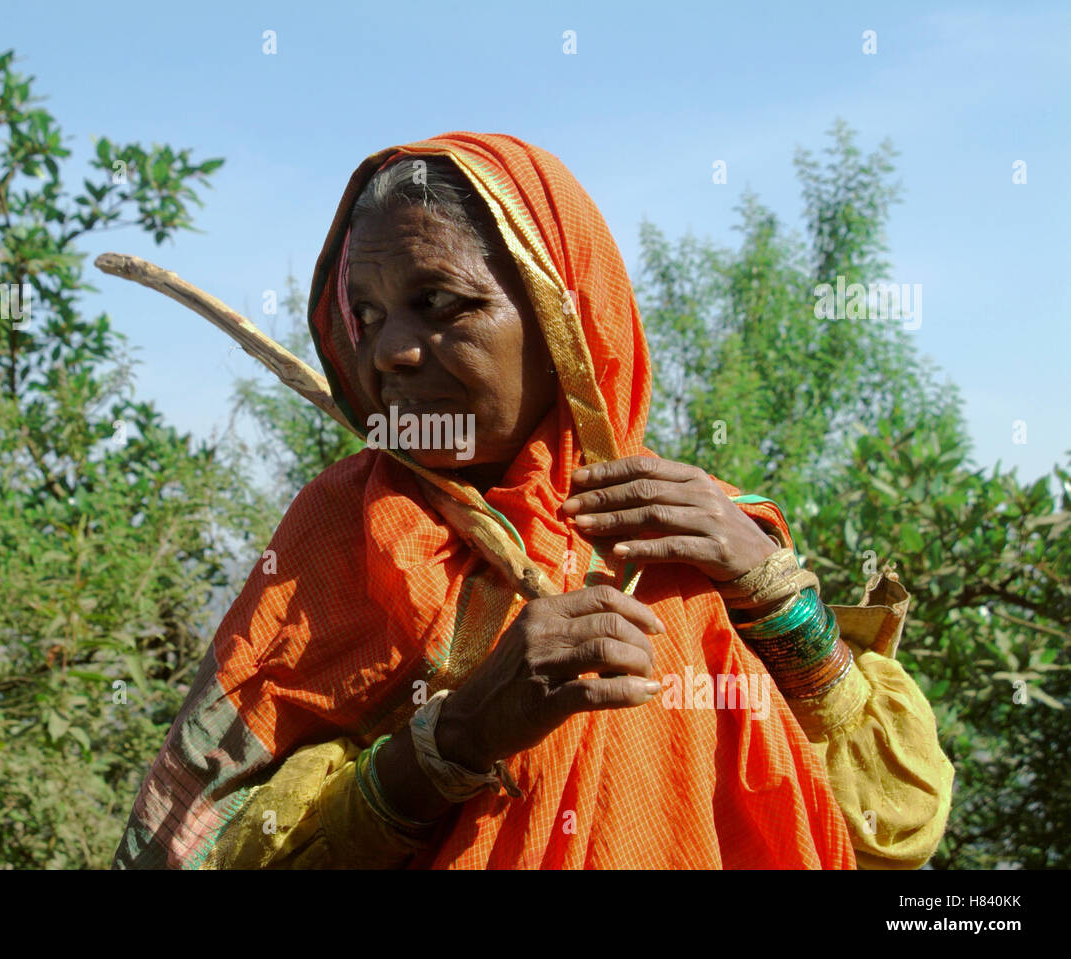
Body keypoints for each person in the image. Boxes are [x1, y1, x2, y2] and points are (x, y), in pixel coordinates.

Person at [112, 132, 954, 869]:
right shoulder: (332, 544)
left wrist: (771, 591)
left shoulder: (693, 536)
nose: (390, 350)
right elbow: (191, 848)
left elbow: (896, 827)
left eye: (439, 302)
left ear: (563, 319)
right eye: (364, 315)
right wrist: (455, 738)